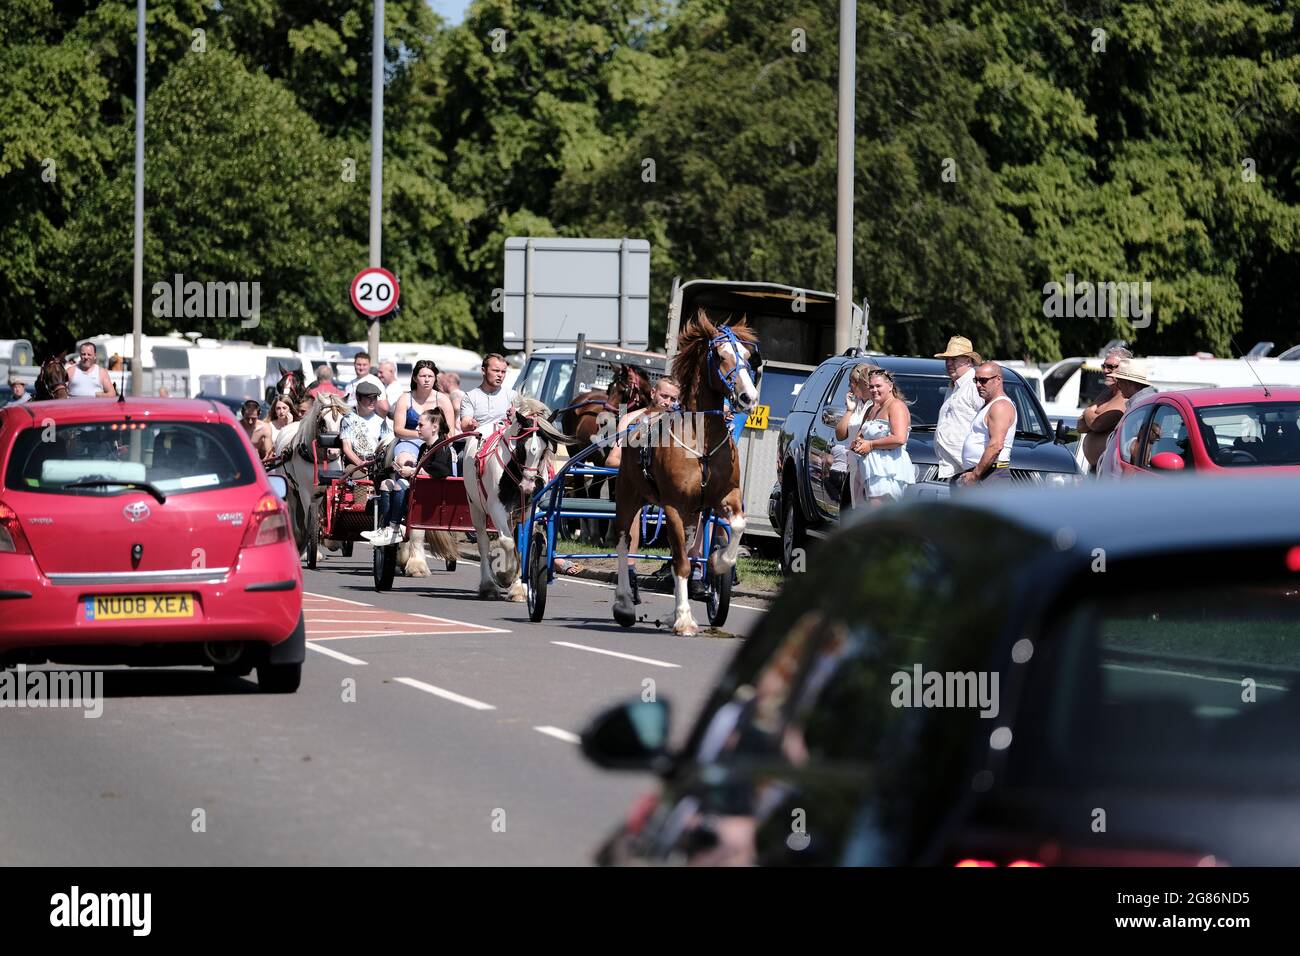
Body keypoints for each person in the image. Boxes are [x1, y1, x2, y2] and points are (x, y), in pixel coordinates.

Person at [603, 376, 682, 598]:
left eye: (673, 399)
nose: (667, 402)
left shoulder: (681, 425)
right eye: (664, 396)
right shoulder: (631, 419)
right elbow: (612, 459)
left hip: (669, 490)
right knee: (633, 507)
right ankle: (629, 572)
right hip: (639, 484)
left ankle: (694, 571)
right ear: (653, 393)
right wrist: (635, 467)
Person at [363, 408, 453, 547]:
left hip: (431, 496)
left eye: (421, 425)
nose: (417, 428)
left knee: (400, 484)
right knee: (386, 483)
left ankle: (394, 528)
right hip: (420, 490)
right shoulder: (424, 447)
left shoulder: (442, 446)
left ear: (435, 428)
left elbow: (442, 470)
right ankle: (385, 528)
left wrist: (413, 471)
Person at [846, 368, 916, 505]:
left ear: (890, 387)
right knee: (863, 520)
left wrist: (871, 444)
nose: (874, 390)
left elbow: (900, 438)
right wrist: (858, 443)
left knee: (879, 520)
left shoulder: (896, 406)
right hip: (866, 469)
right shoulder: (872, 408)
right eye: (871, 387)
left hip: (886, 471)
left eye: (878, 386)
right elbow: (861, 436)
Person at [955, 363, 1017, 486]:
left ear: (998, 379)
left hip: (991, 475)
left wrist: (974, 475)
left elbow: (996, 445)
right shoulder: (990, 405)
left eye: (983, 380)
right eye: (976, 380)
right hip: (984, 474)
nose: (978, 385)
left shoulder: (1001, 406)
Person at [932, 335, 984, 480]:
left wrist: (976, 472)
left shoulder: (975, 385)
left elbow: (989, 421)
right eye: (947, 359)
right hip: (955, 469)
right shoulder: (954, 386)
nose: (949, 363)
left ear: (968, 361)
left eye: (954, 359)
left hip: (970, 469)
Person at [1075, 347, 1132, 472]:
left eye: (1111, 367)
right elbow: (1080, 426)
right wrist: (1091, 416)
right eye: (1104, 366)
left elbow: (1097, 424)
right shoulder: (1106, 394)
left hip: (1111, 472)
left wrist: (1087, 412)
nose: (1106, 371)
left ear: (1126, 369)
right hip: (1096, 469)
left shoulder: (1126, 398)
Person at [392, 360, 458, 466]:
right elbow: (397, 430)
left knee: (450, 465)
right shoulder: (405, 398)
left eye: (430, 376)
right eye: (423, 376)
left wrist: (432, 439)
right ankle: (403, 482)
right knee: (404, 461)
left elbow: (450, 434)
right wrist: (421, 434)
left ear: (435, 378)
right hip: (409, 442)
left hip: (438, 444)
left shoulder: (443, 400)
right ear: (415, 378)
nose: (427, 380)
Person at [1096, 359, 1154, 478]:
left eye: (1119, 381)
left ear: (1129, 383)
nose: (1117, 385)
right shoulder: (1141, 405)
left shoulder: (1142, 408)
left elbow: (1136, 451)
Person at [459, 353, 517, 435]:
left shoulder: (513, 396)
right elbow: (464, 425)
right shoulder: (470, 396)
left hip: (504, 443)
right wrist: (470, 424)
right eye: (496, 371)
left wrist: (516, 416)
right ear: (483, 371)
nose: (500, 375)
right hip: (478, 443)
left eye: (503, 372)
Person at [340, 381, 393, 467]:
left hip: (377, 464)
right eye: (369, 398)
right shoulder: (347, 419)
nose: (372, 401)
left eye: (375, 397)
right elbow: (347, 448)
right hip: (355, 464)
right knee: (359, 478)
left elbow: (387, 446)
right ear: (358, 398)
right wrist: (360, 464)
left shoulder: (381, 421)